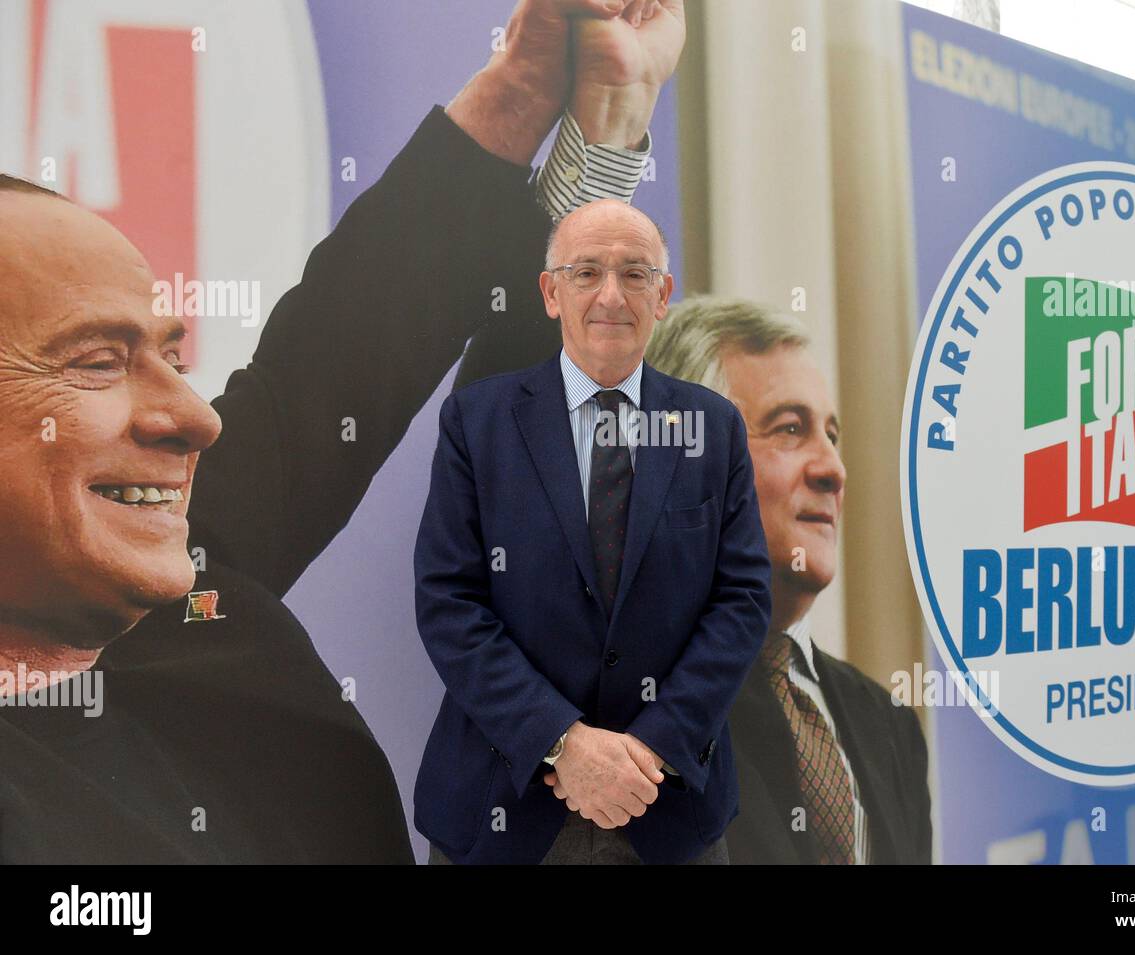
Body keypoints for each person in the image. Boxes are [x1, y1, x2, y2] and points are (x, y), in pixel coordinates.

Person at [0, 0, 673, 864]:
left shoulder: (193, 605)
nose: (196, 417)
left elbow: (338, 361)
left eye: (173, 356)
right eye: (96, 360)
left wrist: (559, 104)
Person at [415, 199, 772, 865]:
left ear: (663, 296)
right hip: (505, 807)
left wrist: (652, 745)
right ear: (551, 292)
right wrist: (564, 742)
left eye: (635, 274)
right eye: (586, 272)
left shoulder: (714, 426)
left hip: (668, 812)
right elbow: (448, 601)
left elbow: (742, 600)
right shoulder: (477, 422)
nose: (611, 294)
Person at [645, 295, 933, 864]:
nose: (833, 469)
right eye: (790, 429)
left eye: (832, 434)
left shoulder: (890, 725)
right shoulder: (618, 716)